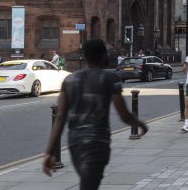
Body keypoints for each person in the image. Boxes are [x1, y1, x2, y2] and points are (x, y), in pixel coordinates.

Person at [42, 38, 147, 190]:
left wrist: (49, 152)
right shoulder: (110, 79)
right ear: (103, 55)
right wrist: (141, 124)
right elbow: (124, 115)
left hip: (75, 143)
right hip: (98, 142)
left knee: (88, 184)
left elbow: (60, 118)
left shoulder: (69, 80)